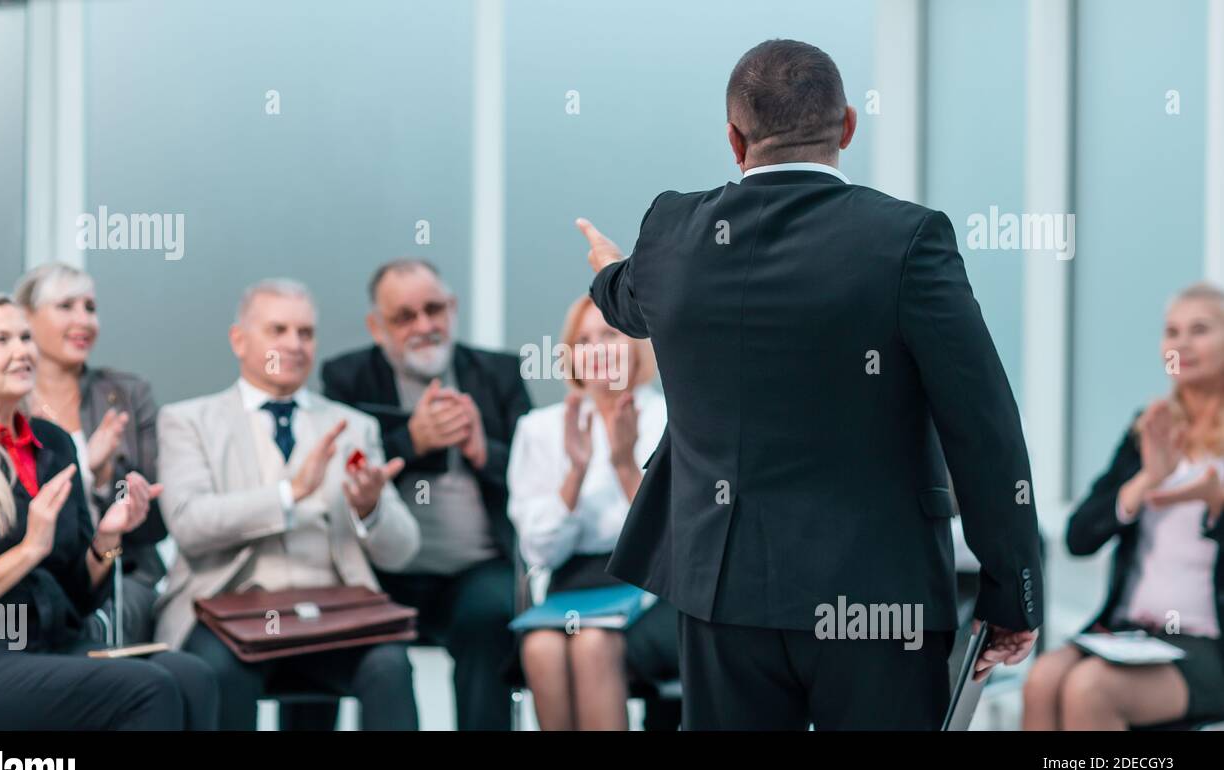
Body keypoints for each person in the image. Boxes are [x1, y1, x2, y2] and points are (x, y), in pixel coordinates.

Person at [576, 39, 1041, 730]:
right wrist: (1011, 594)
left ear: (734, 139)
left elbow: (625, 300)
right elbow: (985, 429)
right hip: (879, 601)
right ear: (848, 125)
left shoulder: (671, 233)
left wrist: (608, 267)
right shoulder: (907, 240)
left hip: (721, 595)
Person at [0, 293, 216, 730]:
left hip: (52, 643)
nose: (23, 350)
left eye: (25, 337)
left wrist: (108, 540)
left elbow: (79, 594)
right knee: (147, 689)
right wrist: (28, 549)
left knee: (194, 678)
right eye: (2, 339)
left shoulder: (53, 444)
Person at [155, 279, 420, 730]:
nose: (294, 345)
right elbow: (190, 525)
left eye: (305, 333)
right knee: (215, 674)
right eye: (277, 330)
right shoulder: (188, 421)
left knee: (390, 666)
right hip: (227, 612)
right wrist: (288, 494)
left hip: (334, 618)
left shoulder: (352, 427)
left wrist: (370, 509)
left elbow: (404, 551)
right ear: (239, 340)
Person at [322, 258, 531, 730]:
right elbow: (339, 478)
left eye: (434, 309)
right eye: (405, 316)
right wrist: (410, 443)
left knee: (491, 620)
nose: (424, 326)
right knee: (370, 652)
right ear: (378, 328)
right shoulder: (347, 378)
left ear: (453, 309)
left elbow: (534, 475)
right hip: (379, 571)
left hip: (475, 567)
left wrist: (483, 451)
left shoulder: (497, 374)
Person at [1025, 283, 1224, 730]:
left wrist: (1216, 506)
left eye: (1200, 330)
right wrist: (1145, 481)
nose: (1182, 344)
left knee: (1089, 689)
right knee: (1042, 679)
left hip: (1207, 644)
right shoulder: (1146, 432)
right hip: (1133, 633)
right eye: (1172, 332)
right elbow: (1079, 538)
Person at [508, 296, 676, 730]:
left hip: (656, 589)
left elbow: (675, 542)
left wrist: (624, 465)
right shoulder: (541, 429)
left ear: (636, 342)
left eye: (608, 335)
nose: (596, 350)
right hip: (576, 583)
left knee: (592, 645)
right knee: (541, 648)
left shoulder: (670, 417)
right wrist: (575, 475)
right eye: (583, 340)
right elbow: (538, 550)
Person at [15, 262, 166, 645]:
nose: (84, 320)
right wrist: (85, 466)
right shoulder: (6, 401)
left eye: (90, 308)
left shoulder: (129, 394)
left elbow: (154, 524)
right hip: (35, 572)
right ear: (26, 318)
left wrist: (104, 482)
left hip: (120, 569)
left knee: (103, 621)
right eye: (66, 306)